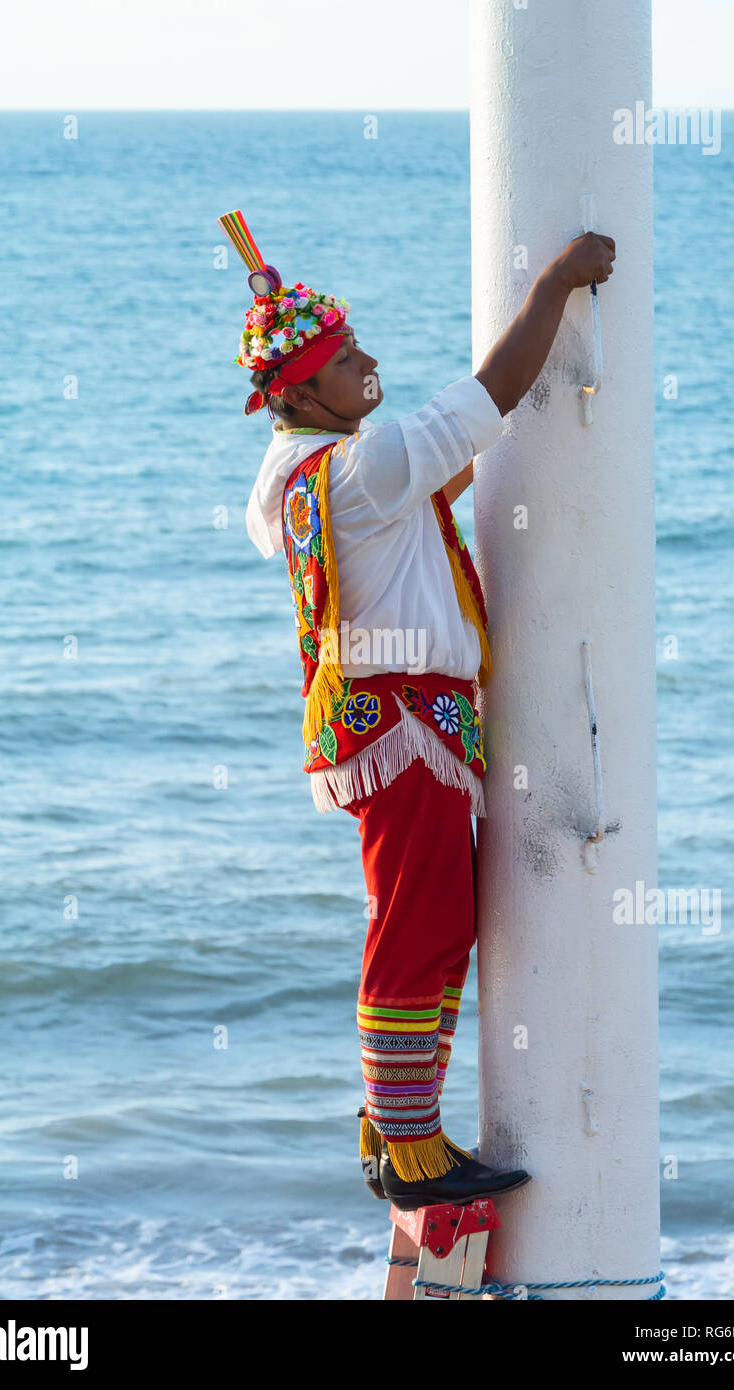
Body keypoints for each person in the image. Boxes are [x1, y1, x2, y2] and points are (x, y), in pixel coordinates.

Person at [222, 209, 615, 1210]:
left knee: (426, 923)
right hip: (408, 728)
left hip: (385, 724)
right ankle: (408, 1146)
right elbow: (484, 401)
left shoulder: (296, 475)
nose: (367, 364)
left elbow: (436, 461)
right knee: (418, 930)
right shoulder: (362, 466)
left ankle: (393, 1123)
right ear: (301, 388)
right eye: (344, 357)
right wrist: (555, 286)